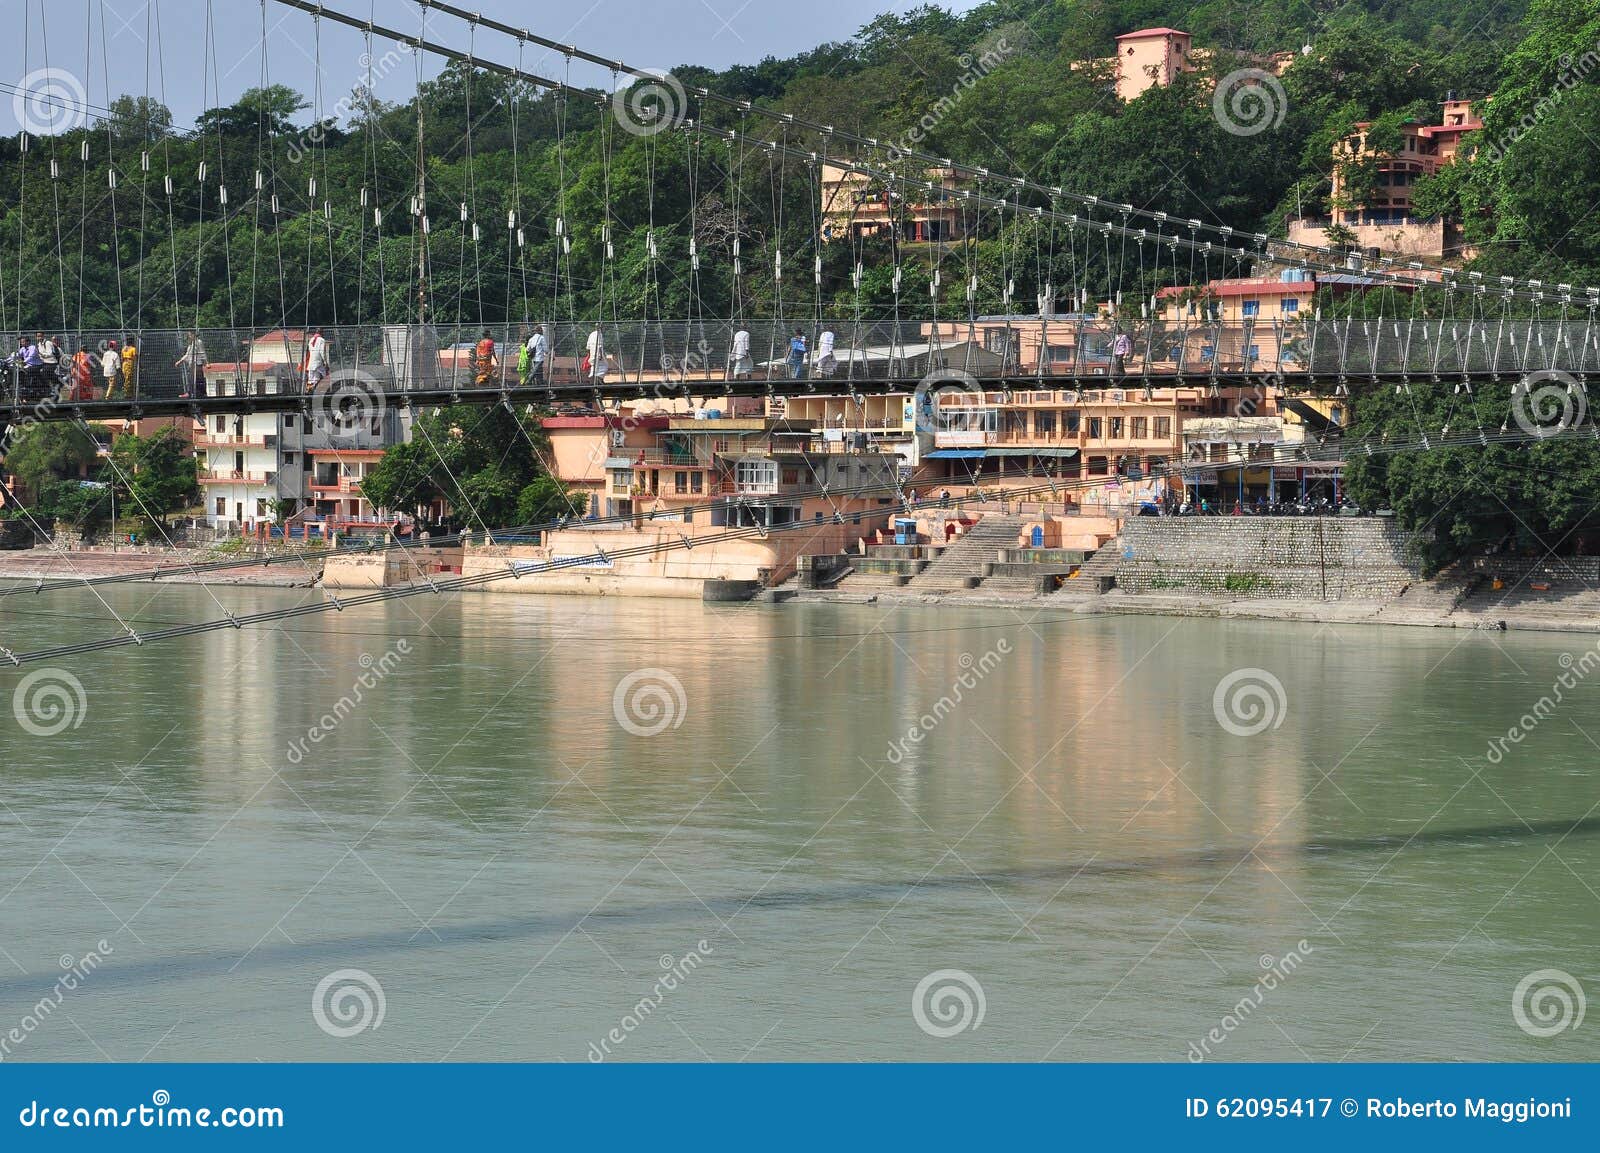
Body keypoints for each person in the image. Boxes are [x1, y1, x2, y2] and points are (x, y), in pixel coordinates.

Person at [176, 330, 208, 397]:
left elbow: (202, 352)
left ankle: (202, 393)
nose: (189, 337)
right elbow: (187, 355)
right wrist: (180, 361)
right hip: (192, 364)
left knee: (199, 379)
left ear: (193, 335)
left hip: (197, 363)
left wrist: (206, 363)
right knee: (192, 379)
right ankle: (191, 393)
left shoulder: (198, 342)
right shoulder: (191, 344)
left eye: (190, 335)